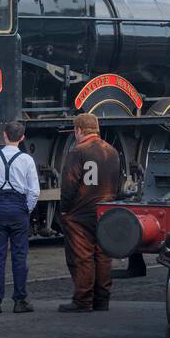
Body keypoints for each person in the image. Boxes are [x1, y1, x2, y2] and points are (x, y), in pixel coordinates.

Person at [58, 113, 123, 313]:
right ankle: (102, 300)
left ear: (78, 130)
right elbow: (118, 182)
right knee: (103, 255)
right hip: (106, 209)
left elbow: (69, 184)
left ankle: (83, 300)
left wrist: (64, 209)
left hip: (81, 212)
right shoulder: (112, 151)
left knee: (82, 256)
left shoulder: (77, 152)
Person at [0, 121, 40, 314]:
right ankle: (20, 301)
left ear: (4, 135)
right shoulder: (27, 160)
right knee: (20, 256)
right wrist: (26, 210)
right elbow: (34, 192)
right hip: (19, 208)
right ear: (22, 138)